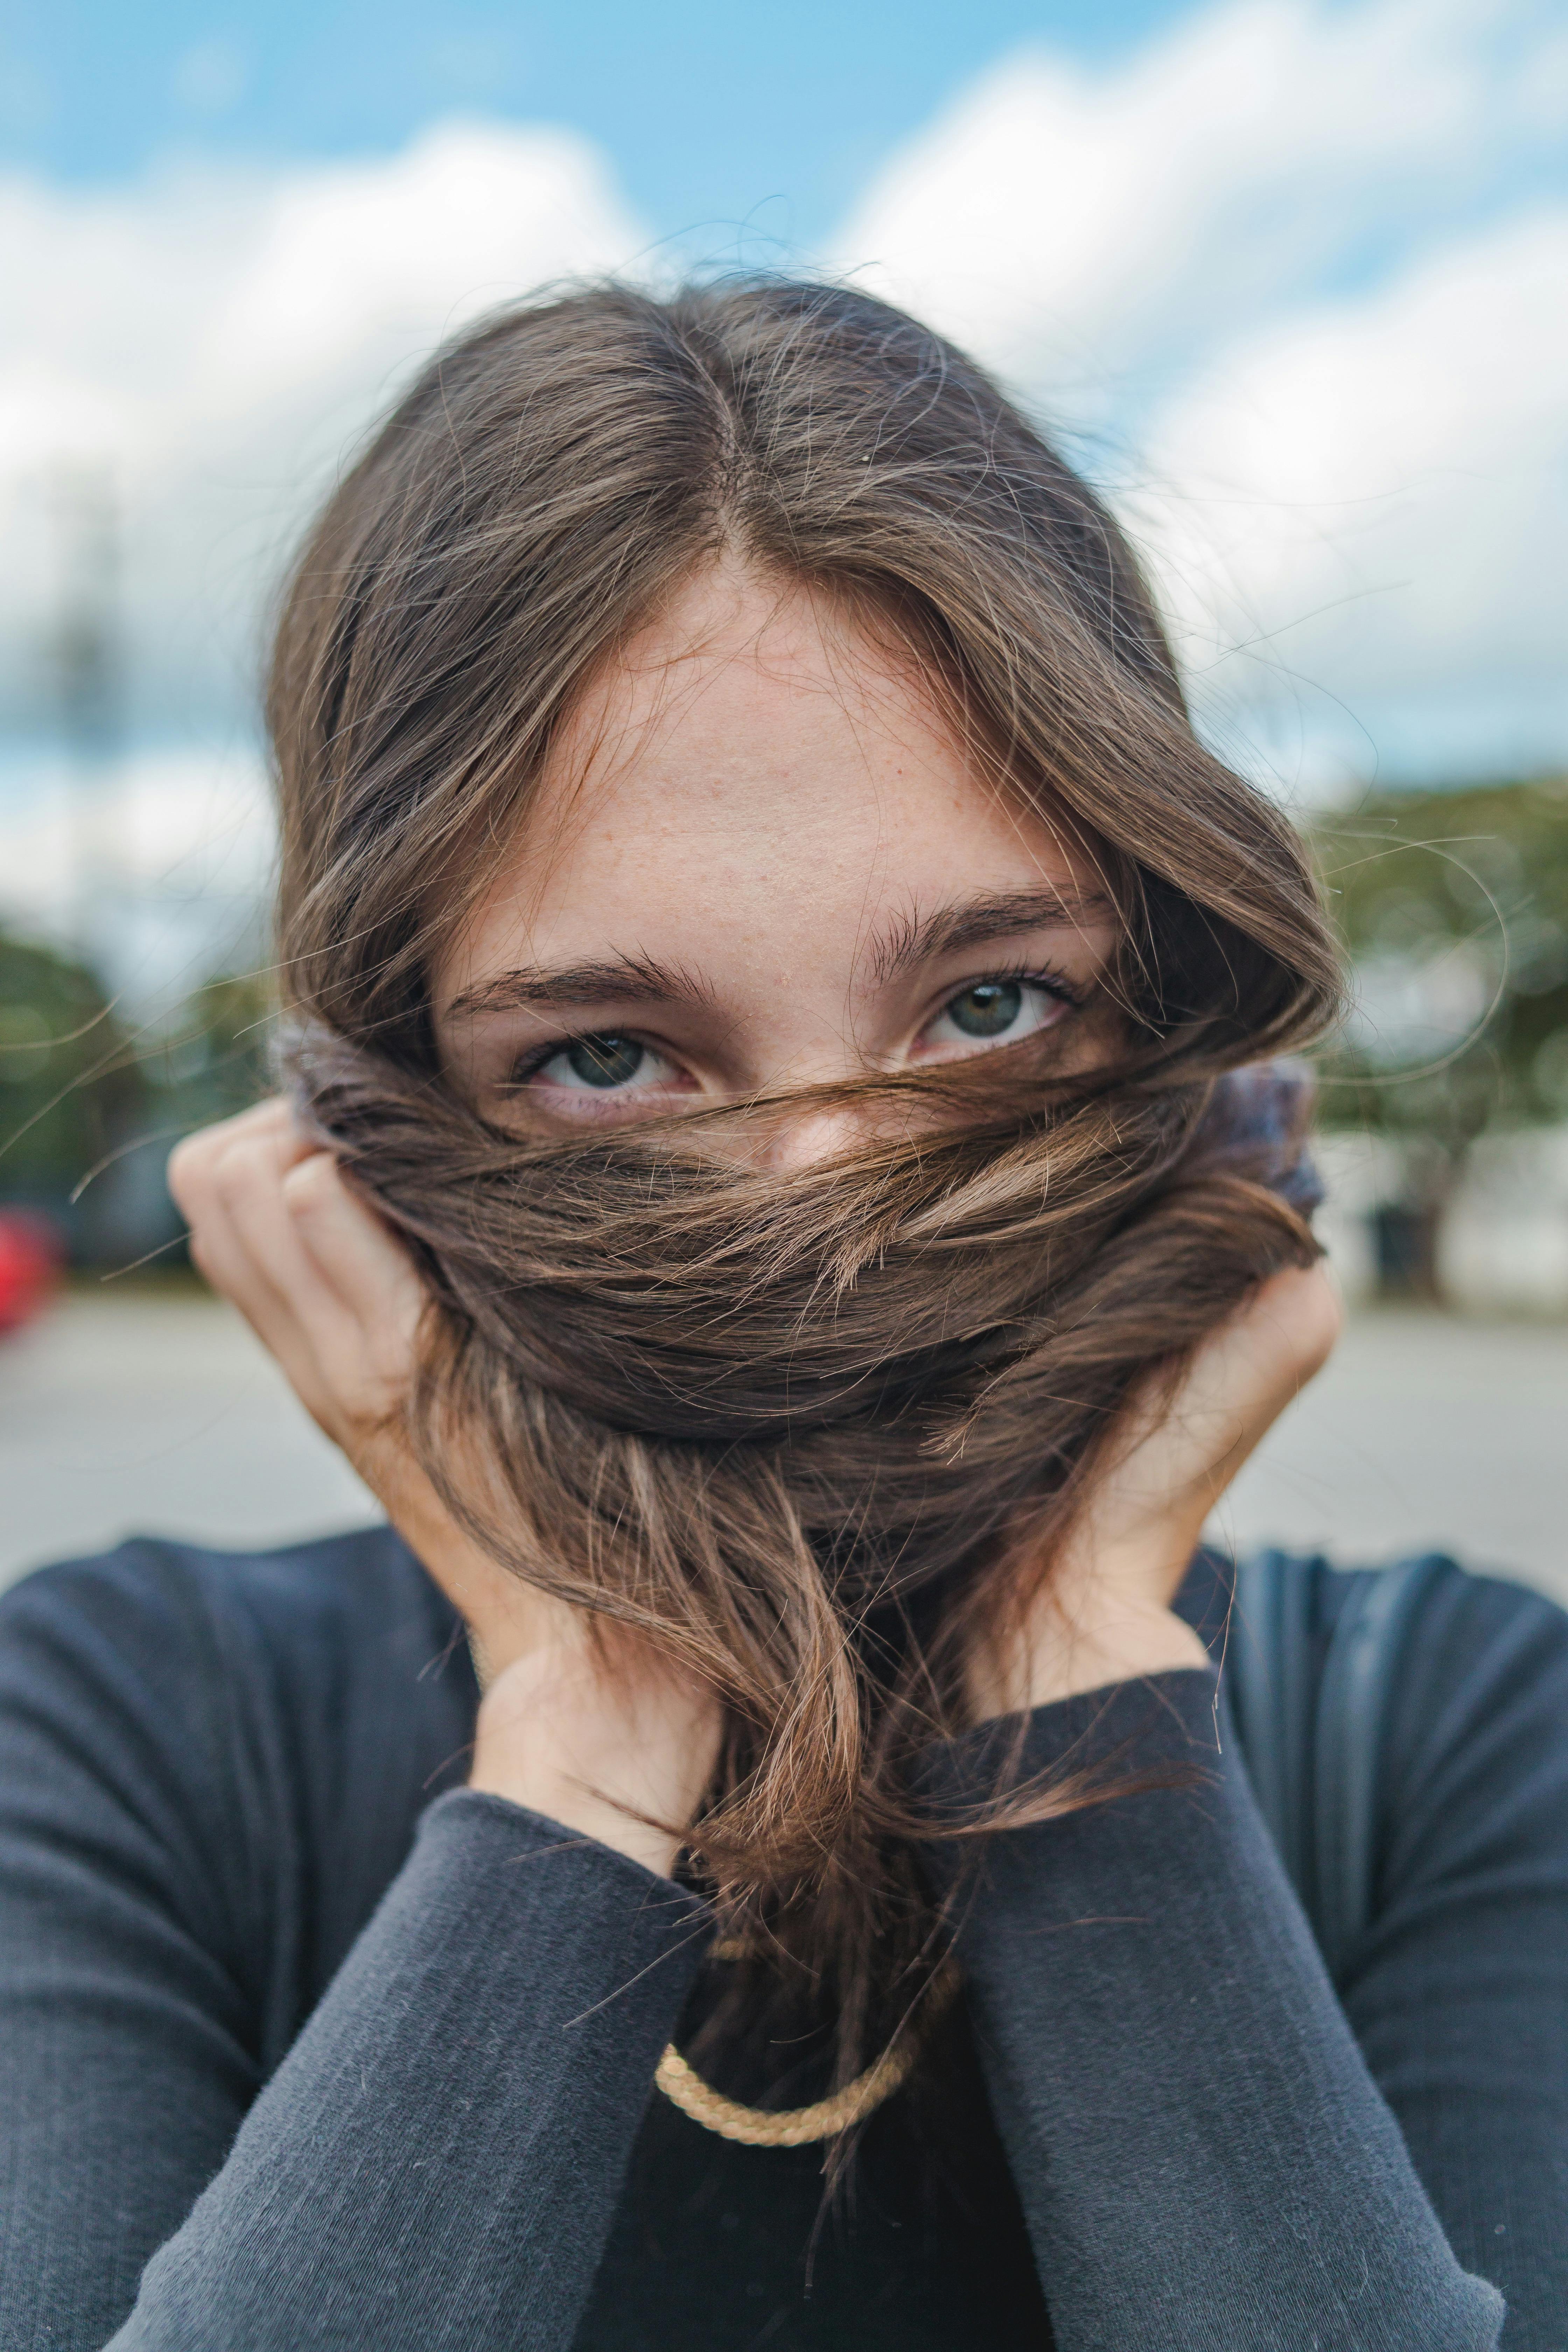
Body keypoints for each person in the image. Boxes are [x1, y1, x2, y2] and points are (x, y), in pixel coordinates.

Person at [1, 281, 1564, 2352]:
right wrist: (581, 1723)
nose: (828, 1210)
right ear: (363, 1128)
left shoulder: (1453, 1735)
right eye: (613, 1053)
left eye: (986, 1006)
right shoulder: (117, 1735)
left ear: (1186, 1058)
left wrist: (1081, 1692)